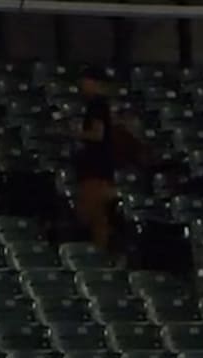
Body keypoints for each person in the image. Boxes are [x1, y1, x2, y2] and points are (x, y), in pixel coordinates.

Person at [72, 69, 118, 251]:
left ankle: (100, 253)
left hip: (96, 170)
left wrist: (74, 133)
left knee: (95, 215)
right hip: (100, 169)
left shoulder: (97, 104)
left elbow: (97, 134)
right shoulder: (99, 104)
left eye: (85, 81)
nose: (82, 86)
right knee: (96, 216)